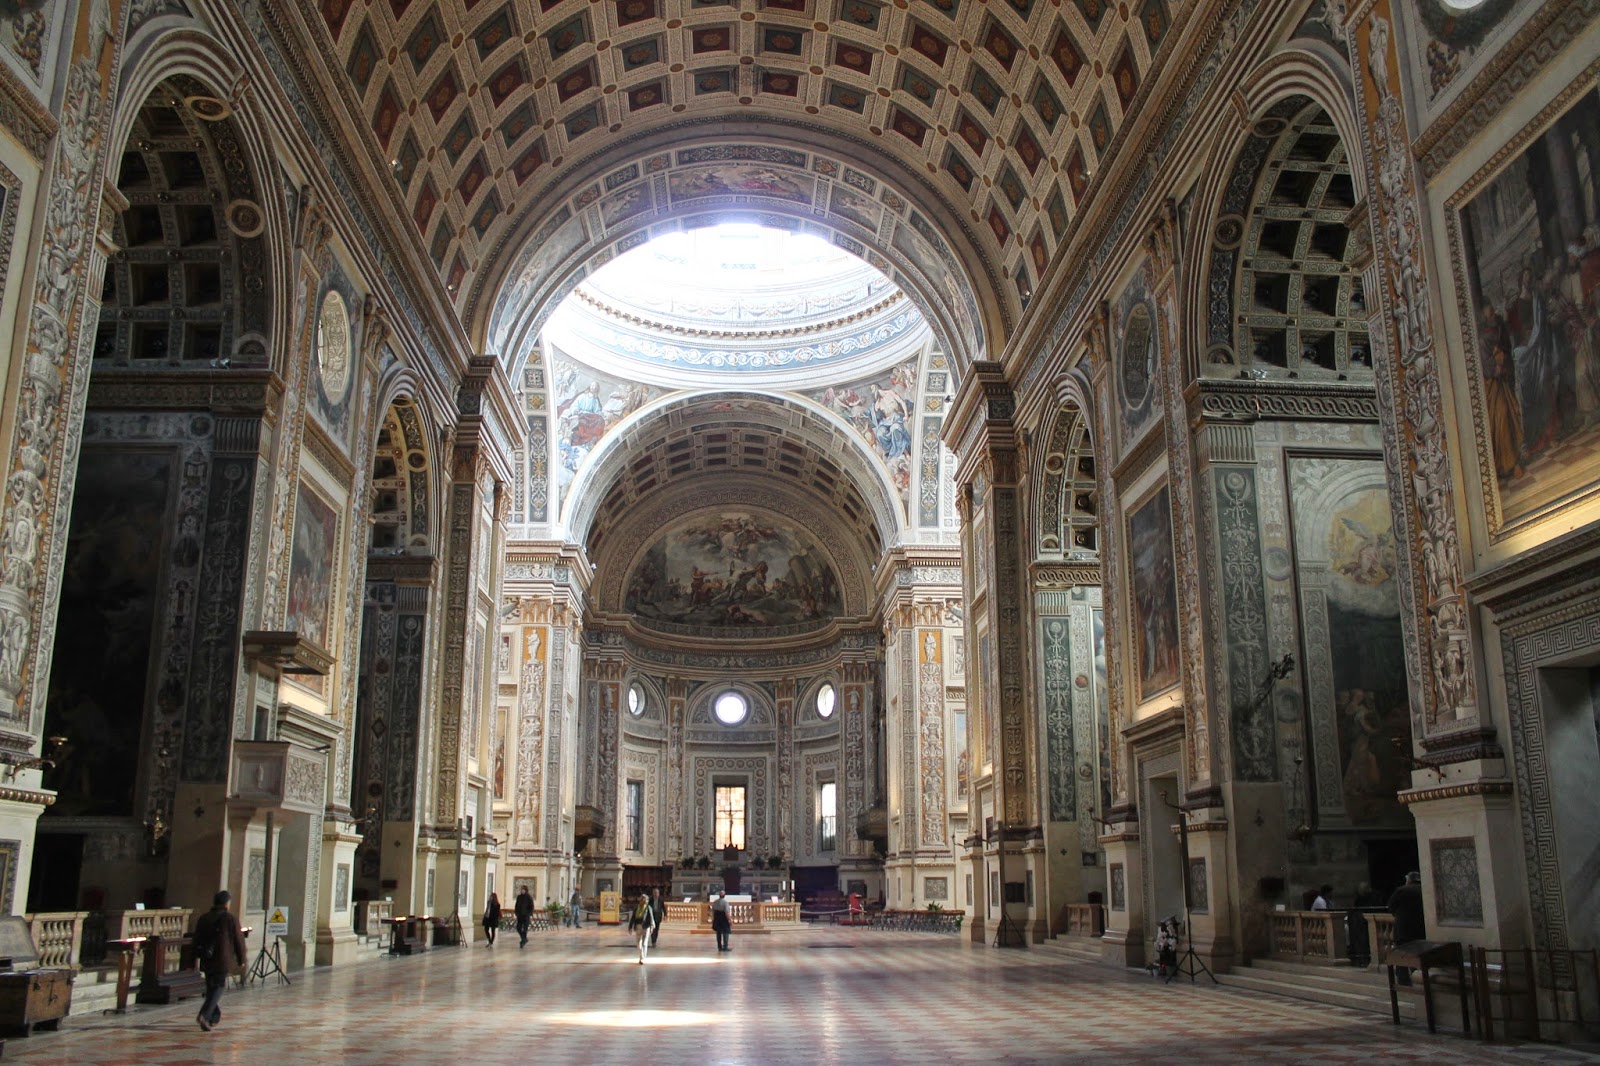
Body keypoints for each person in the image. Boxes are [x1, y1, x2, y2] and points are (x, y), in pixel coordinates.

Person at [191, 890, 247, 1032]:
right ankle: (205, 1014)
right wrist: (242, 959)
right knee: (219, 987)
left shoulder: (204, 918)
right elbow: (238, 940)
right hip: (222, 959)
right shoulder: (230, 919)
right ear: (227, 903)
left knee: (211, 987)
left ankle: (213, 1016)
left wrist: (196, 956)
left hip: (207, 958)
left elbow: (196, 939)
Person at [1387, 871, 1426, 985]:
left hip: (1403, 929)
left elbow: (1391, 907)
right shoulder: (1425, 890)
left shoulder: (1402, 890)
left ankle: (1403, 979)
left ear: (1408, 880)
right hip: (1421, 928)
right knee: (1418, 953)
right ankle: (1418, 976)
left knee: (1401, 954)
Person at [628, 893, 657, 964]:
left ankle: (642, 958)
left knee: (644, 942)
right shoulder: (636, 908)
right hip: (638, 926)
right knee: (638, 943)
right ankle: (641, 955)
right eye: (641, 899)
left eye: (644, 899)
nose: (642, 901)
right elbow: (633, 918)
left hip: (646, 926)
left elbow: (651, 917)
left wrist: (652, 926)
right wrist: (630, 927)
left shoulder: (648, 908)